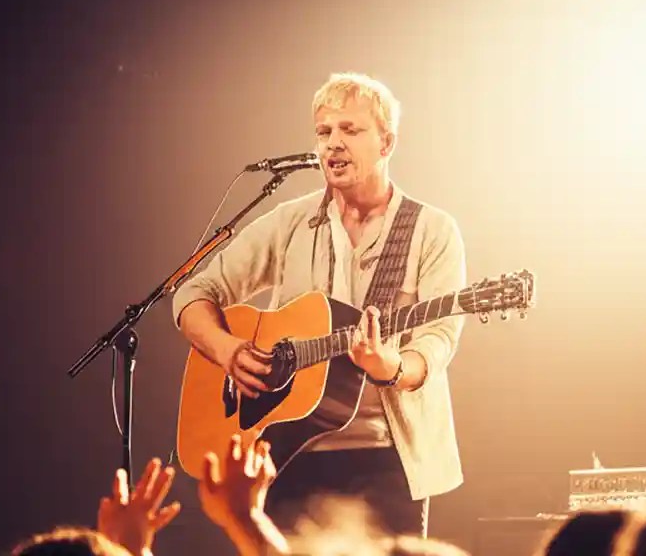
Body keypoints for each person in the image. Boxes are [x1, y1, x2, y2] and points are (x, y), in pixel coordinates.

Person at [173, 72, 468, 538]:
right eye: (324, 132)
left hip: (387, 458)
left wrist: (389, 365)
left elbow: (438, 340)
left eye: (350, 130)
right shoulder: (288, 223)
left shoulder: (432, 229)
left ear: (386, 142)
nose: (332, 144)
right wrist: (229, 351)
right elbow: (191, 295)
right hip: (285, 455)